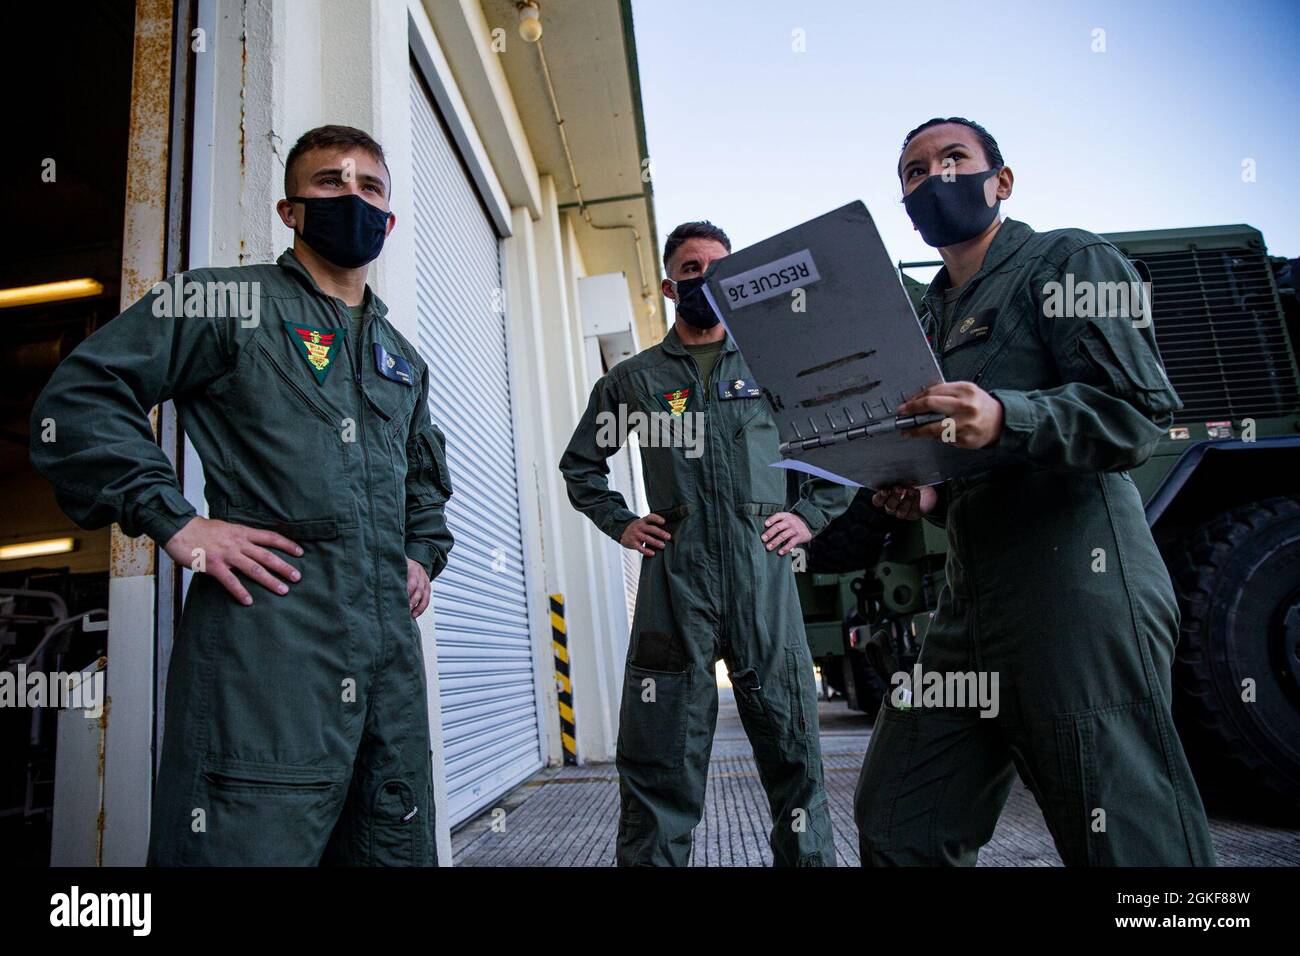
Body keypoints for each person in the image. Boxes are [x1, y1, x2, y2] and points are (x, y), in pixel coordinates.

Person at [29, 124, 454, 865]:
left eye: (369, 188)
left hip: (388, 665)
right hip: (269, 651)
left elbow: (425, 480)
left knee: (390, 842)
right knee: (245, 843)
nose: (351, 198)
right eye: (330, 183)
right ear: (289, 209)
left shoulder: (401, 358)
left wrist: (420, 553)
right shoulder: (226, 304)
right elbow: (80, 399)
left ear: (388, 219)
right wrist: (178, 521)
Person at [853, 117, 1215, 866]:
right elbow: (955, 453)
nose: (935, 177)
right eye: (915, 172)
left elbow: (1140, 415)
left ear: (1001, 181)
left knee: (1125, 837)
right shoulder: (923, 315)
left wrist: (1004, 415)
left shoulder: (1067, 260)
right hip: (965, 609)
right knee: (899, 814)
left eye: (955, 159)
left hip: (1076, 593)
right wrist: (926, 495)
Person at [559, 221, 853, 866]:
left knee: (794, 753)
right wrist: (623, 522)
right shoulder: (634, 381)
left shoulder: (777, 367)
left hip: (763, 576)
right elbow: (581, 465)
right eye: (690, 268)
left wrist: (812, 516)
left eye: (718, 267)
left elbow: (838, 442)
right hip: (677, 580)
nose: (704, 278)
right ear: (670, 286)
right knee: (661, 757)